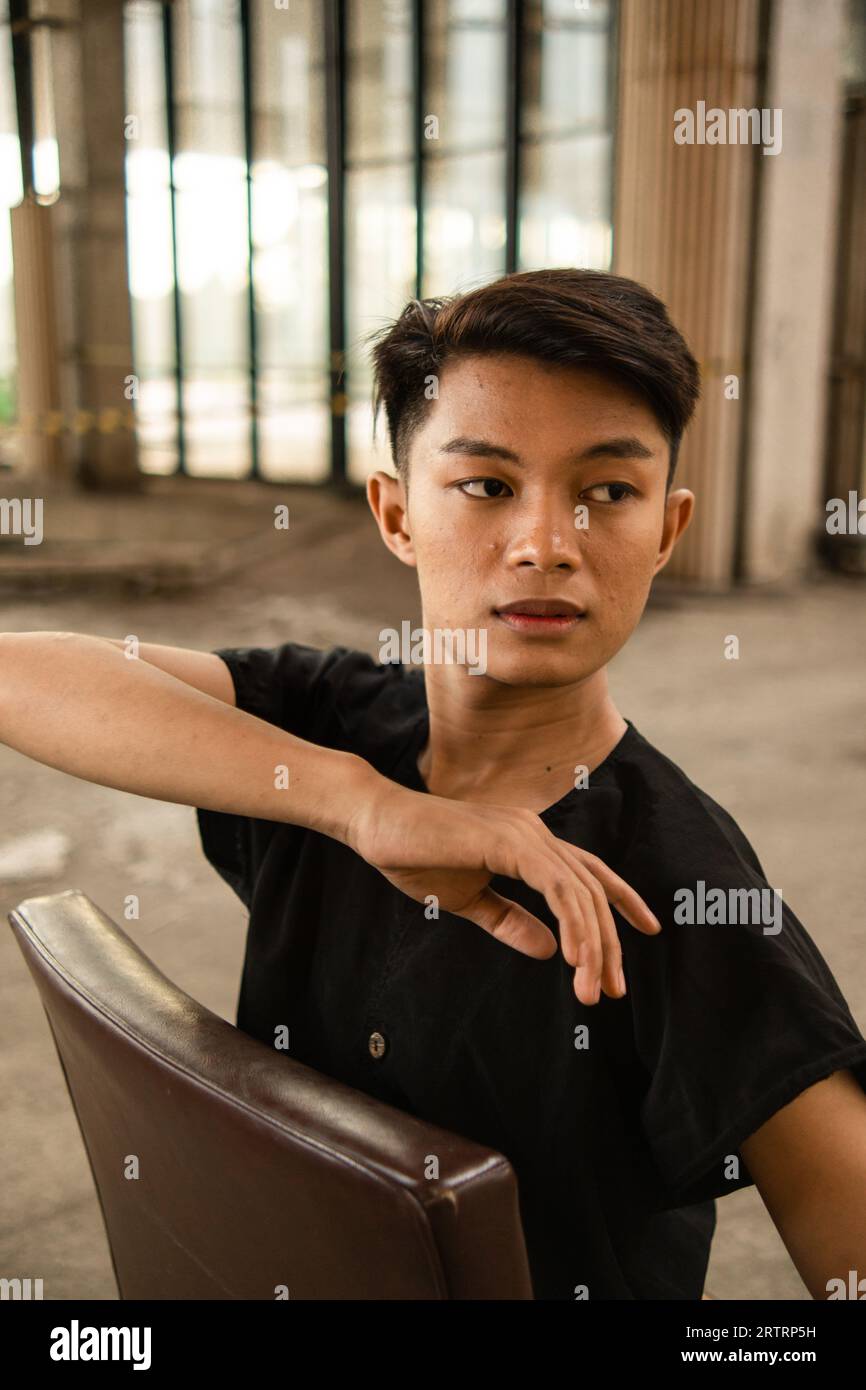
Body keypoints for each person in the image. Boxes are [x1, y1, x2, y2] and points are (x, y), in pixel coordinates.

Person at [3, 268, 866, 1300]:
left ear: (666, 530)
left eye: (607, 492)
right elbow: (19, 673)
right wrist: (360, 803)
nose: (546, 544)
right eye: (486, 486)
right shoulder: (328, 719)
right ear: (397, 513)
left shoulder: (671, 884)